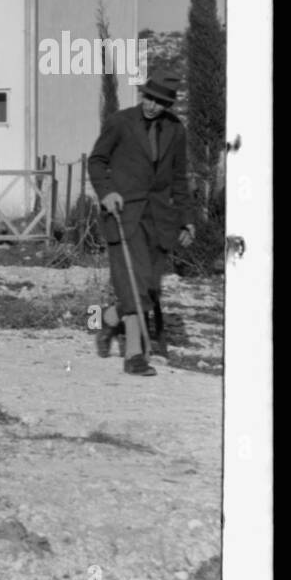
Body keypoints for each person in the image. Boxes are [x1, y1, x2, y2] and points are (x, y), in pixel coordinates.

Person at [87, 72, 195, 376]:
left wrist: (186, 219)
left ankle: (109, 319)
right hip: (123, 215)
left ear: (168, 104)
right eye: (148, 97)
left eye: (159, 102)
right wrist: (107, 192)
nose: (151, 105)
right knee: (133, 285)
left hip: (159, 221)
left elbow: (178, 179)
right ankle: (134, 355)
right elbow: (96, 161)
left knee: (148, 287)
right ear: (142, 95)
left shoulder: (176, 130)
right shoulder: (120, 122)